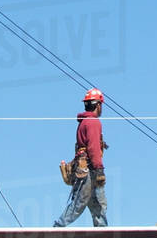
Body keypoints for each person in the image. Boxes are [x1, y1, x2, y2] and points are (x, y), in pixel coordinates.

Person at [54, 88, 108, 227]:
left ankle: (102, 232)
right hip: (90, 171)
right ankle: (57, 228)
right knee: (79, 204)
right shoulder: (93, 122)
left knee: (98, 205)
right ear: (98, 105)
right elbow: (93, 148)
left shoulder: (84, 122)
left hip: (87, 169)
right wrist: (99, 170)